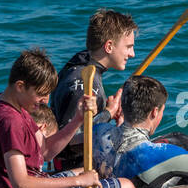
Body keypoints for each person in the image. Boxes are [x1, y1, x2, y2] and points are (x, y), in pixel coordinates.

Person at [0, 48, 135, 188]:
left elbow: (46, 151)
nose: (45, 100)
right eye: (41, 93)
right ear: (20, 86)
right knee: (127, 187)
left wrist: (77, 119)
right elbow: (21, 185)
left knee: (95, 172)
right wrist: (77, 182)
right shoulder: (11, 121)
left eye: (48, 94)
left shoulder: (5, 105)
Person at [48, 9, 136, 167]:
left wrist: (109, 113)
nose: (132, 54)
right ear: (109, 46)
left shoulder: (79, 65)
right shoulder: (85, 81)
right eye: (128, 47)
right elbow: (69, 140)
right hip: (76, 171)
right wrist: (108, 113)